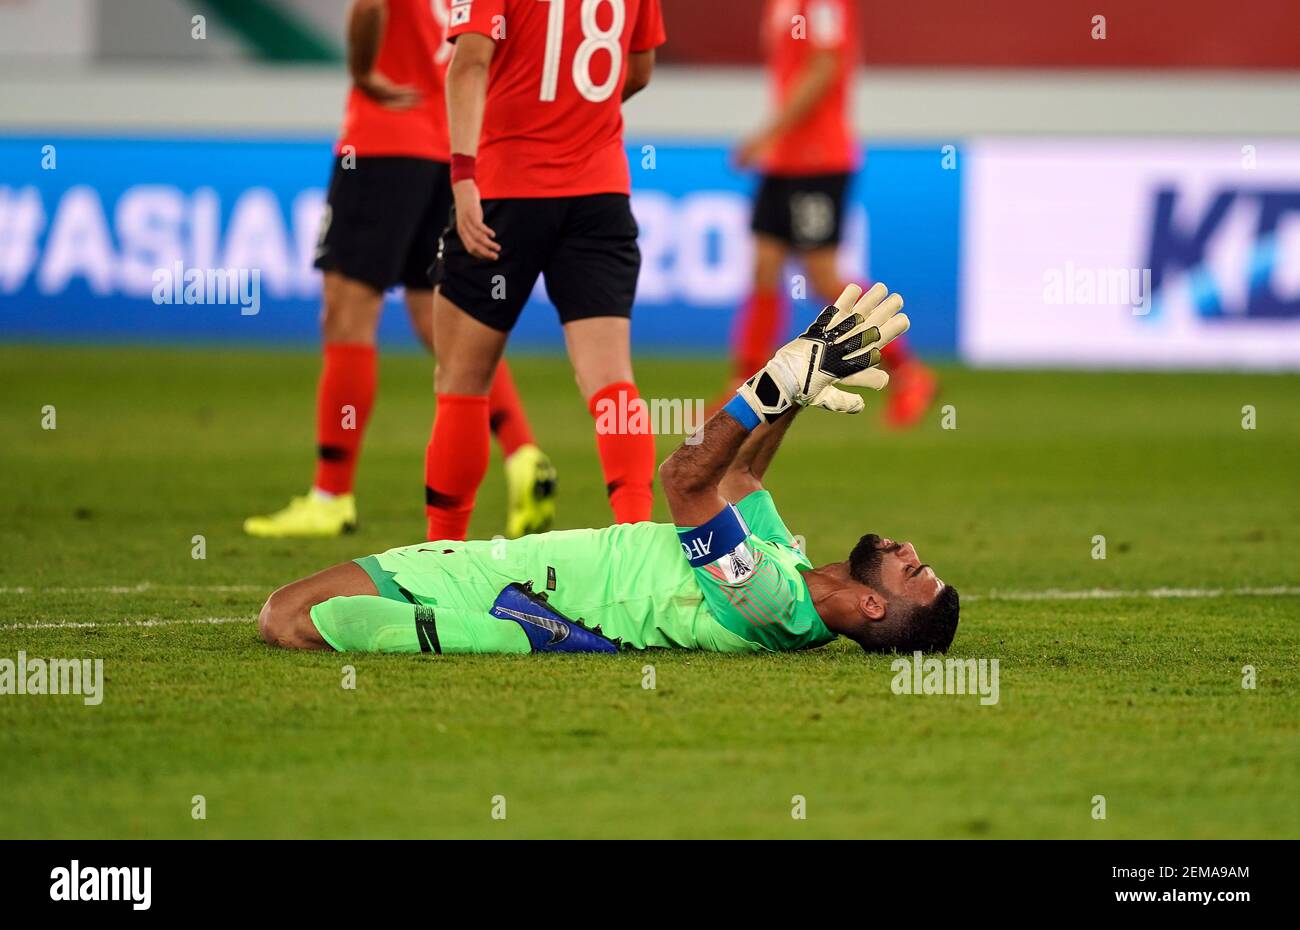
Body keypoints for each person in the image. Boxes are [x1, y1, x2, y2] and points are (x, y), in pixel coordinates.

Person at [257, 283, 960, 657]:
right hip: (518, 567)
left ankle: (479, 635)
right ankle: (467, 629)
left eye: (913, 572)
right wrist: (794, 387)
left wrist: (768, 390)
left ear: (874, 606)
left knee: (284, 618)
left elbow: (684, 479)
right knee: (299, 612)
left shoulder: (772, 600)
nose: (907, 550)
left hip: (520, 590)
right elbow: (741, 480)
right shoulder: (792, 572)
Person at [244, 0, 555, 541]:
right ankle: (523, 452)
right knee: (436, 317)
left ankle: (330, 493)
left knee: (347, 311)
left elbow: (368, 7)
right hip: (452, 144)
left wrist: (364, 71)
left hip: (386, 136)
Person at [422, 0, 665, 541]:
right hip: (599, 193)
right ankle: (637, 539)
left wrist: (463, 177)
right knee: (610, 380)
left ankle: (440, 553)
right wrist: (578, 118)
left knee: (461, 380)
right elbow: (640, 68)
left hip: (506, 191)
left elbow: (469, 63)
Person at [728, 0, 937, 429]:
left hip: (819, 158)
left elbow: (824, 68)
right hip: (785, 161)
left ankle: (908, 373)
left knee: (823, 276)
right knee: (763, 265)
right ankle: (743, 382)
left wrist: (768, 132)